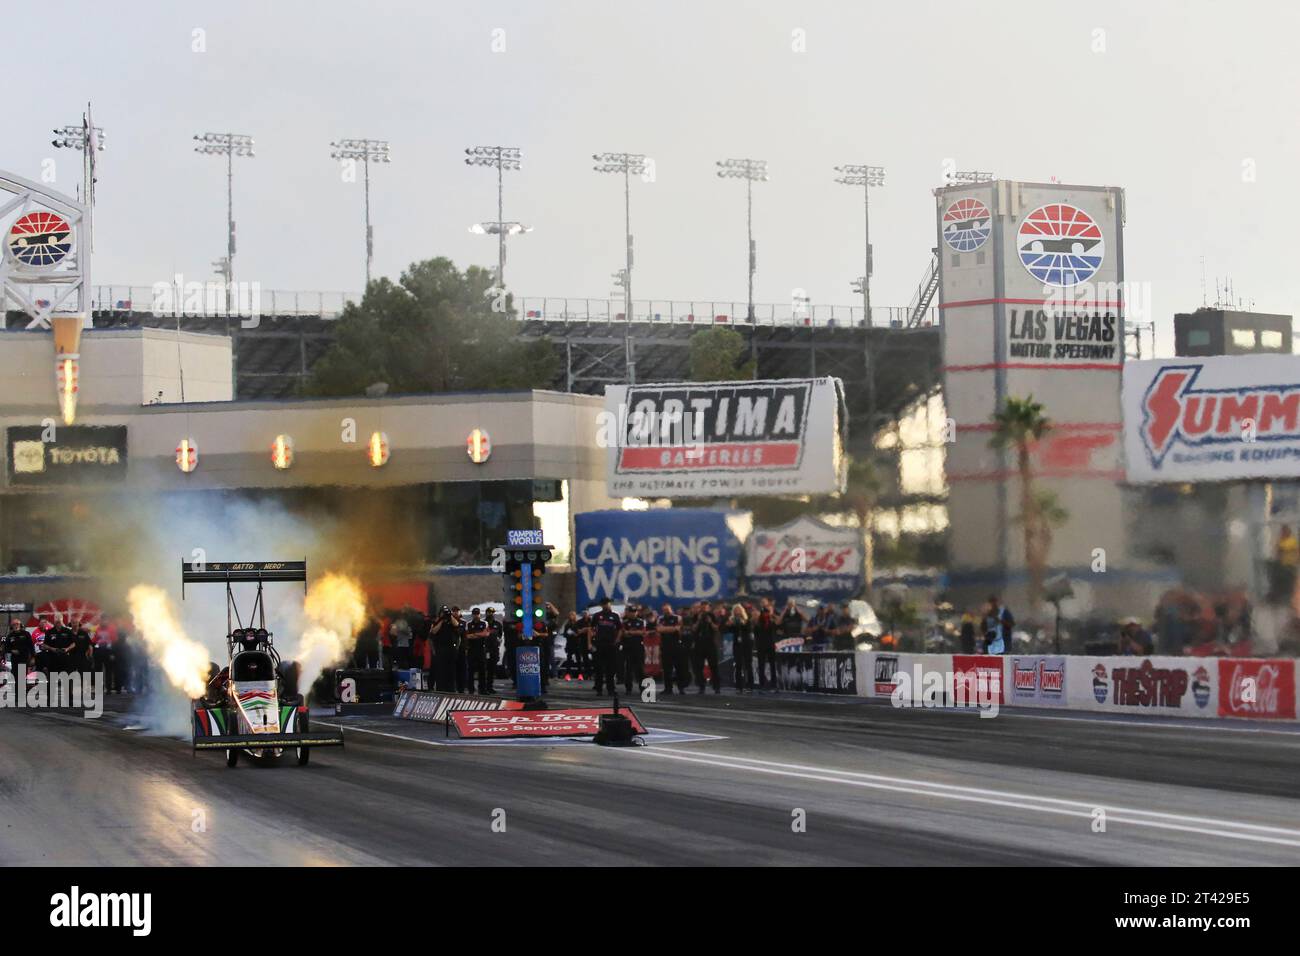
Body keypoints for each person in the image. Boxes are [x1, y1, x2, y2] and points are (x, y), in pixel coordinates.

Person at [591, 597, 622, 696]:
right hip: (599, 645)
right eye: (604, 604)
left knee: (611, 669)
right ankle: (599, 689)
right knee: (599, 668)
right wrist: (591, 642)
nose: (606, 605)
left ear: (610, 604)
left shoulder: (615, 616)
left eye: (607, 603)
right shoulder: (597, 616)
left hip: (611, 645)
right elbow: (591, 629)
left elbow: (620, 629)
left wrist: (617, 639)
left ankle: (611, 689)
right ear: (601, 605)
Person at [429, 606, 461, 692]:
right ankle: (440, 687)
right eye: (443, 612)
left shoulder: (451, 621)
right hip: (440, 648)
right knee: (440, 669)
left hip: (450, 648)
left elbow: (457, 625)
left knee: (451, 669)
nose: (445, 614)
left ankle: (451, 688)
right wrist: (442, 620)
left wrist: (450, 616)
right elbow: (433, 631)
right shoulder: (437, 621)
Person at [657, 603, 686, 694]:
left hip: (676, 645)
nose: (666, 611)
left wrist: (666, 629)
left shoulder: (678, 618)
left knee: (679, 667)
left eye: (667, 610)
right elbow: (659, 629)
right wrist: (671, 629)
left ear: (671, 609)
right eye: (664, 610)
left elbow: (678, 628)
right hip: (665, 646)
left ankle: (681, 688)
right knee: (666, 668)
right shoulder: (660, 618)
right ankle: (668, 688)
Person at [693, 601, 722, 694]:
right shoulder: (696, 616)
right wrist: (698, 620)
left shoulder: (712, 616)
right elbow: (693, 628)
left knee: (714, 666)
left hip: (710, 643)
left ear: (708, 608)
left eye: (705, 607)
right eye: (702, 607)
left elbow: (716, 628)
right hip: (699, 643)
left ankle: (716, 687)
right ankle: (701, 686)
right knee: (699, 666)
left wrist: (710, 622)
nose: (704, 609)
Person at [464, 607, 493, 694]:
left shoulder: (484, 623)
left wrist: (475, 634)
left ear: (479, 614)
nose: (476, 615)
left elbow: (486, 634)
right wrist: (479, 634)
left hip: (481, 648)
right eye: (474, 614)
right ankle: (471, 689)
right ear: (472, 615)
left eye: (477, 614)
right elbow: (467, 636)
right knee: (471, 670)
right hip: (471, 649)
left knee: (482, 670)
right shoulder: (468, 624)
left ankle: (482, 689)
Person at [621, 603, 647, 695]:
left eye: (634, 612)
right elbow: (624, 633)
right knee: (628, 669)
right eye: (631, 612)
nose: (633, 613)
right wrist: (634, 632)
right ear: (628, 613)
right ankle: (628, 689)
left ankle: (642, 688)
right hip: (628, 647)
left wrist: (631, 632)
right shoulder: (624, 622)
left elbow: (643, 632)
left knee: (640, 669)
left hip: (638, 647)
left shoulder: (641, 621)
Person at [729, 603, 755, 692]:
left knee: (748, 665)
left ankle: (750, 686)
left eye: (739, 610)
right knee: (738, 665)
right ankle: (738, 686)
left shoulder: (747, 619)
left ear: (742, 611)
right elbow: (726, 628)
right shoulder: (732, 620)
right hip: (737, 644)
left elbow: (749, 629)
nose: (737, 612)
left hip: (747, 644)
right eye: (735, 610)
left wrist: (743, 621)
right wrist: (731, 623)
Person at [754, 600, 779, 689]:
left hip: (770, 646)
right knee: (761, 665)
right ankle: (762, 684)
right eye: (764, 613)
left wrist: (773, 616)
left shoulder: (771, 623)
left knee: (772, 665)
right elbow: (756, 636)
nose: (766, 615)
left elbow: (778, 625)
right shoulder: (758, 624)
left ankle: (774, 684)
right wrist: (758, 645)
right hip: (761, 646)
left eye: (767, 613)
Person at [483, 607, 502, 691]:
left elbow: (500, 635)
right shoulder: (483, 623)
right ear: (486, 613)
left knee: (492, 668)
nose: (490, 614)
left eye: (492, 612)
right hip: (485, 648)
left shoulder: (497, 624)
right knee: (484, 668)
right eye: (489, 612)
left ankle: (490, 687)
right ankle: (483, 687)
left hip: (494, 649)